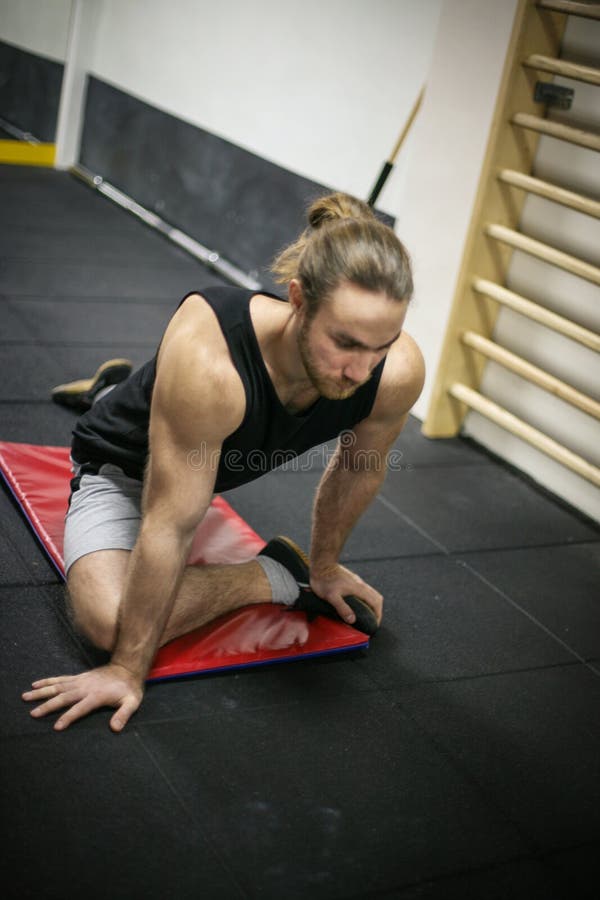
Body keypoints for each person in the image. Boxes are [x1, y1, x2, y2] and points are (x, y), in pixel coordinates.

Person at [22, 192, 424, 733]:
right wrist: (125, 669)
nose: (361, 370)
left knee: (180, 435)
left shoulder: (394, 371)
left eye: (382, 344)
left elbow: (358, 467)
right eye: (346, 343)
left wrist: (326, 568)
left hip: (196, 448)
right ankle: (276, 575)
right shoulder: (215, 362)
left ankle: (119, 385)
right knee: (108, 624)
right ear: (298, 299)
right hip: (125, 465)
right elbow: (170, 522)